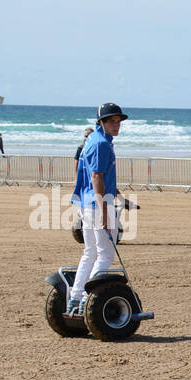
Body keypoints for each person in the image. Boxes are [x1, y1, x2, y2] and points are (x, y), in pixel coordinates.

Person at [68, 103, 129, 316]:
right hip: (97, 206)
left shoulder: (93, 140)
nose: (116, 125)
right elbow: (96, 177)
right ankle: (87, 298)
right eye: (112, 121)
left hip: (88, 204)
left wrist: (120, 197)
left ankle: (75, 297)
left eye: (118, 121)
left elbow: (102, 176)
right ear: (101, 122)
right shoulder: (101, 143)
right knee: (104, 255)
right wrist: (105, 211)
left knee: (90, 252)